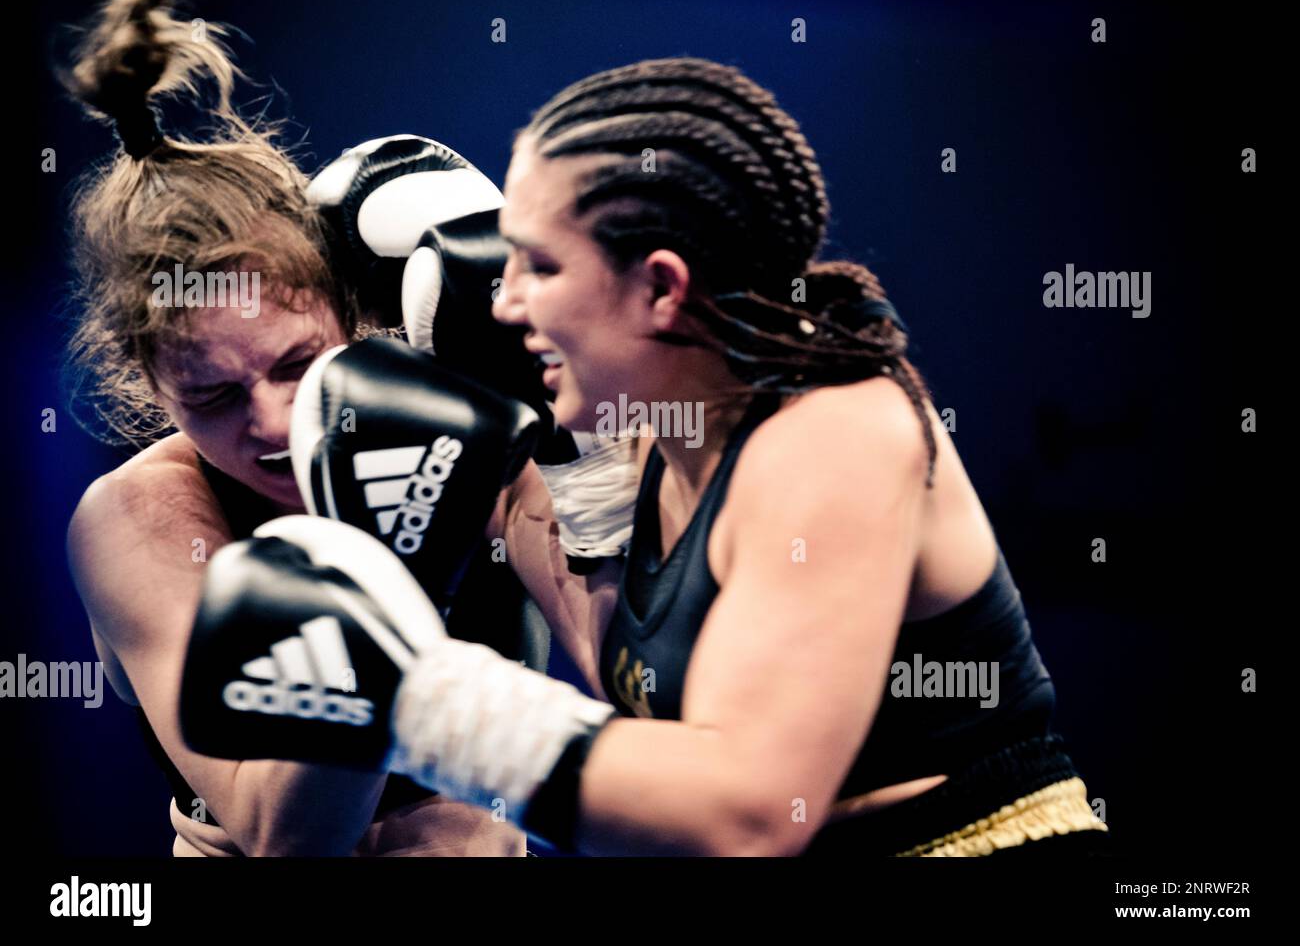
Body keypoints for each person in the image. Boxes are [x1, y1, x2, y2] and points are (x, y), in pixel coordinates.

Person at [179, 57, 1110, 856]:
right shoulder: (657, 437)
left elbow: (745, 815)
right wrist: (553, 456)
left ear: (660, 288)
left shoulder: (832, 428)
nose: (503, 303)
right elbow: (646, 715)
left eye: (539, 267)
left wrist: (421, 705)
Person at [61, 0, 544, 856]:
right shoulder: (135, 519)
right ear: (149, 386)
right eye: (211, 397)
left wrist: (570, 442)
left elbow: (634, 665)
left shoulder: (453, 419)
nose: (274, 422)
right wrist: (387, 575)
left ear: (349, 311)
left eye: (296, 363)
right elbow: (280, 835)